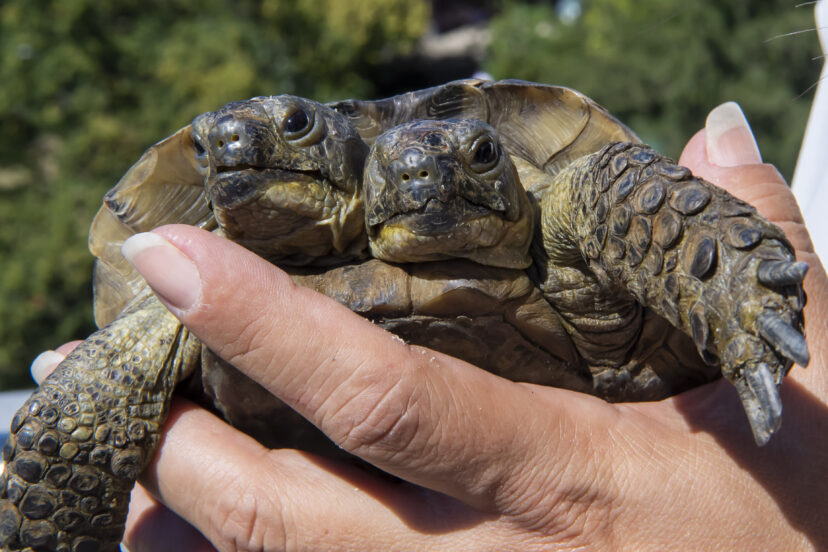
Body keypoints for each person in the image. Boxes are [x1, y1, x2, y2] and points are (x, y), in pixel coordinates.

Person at [32, 102, 828, 551]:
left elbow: (628, 193)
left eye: (479, 155)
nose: (426, 173)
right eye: (218, 144)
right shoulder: (179, 298)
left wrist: (740, 294)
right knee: (82, 406)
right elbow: (81, 414)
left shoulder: (573, 202)